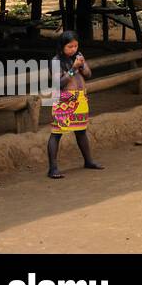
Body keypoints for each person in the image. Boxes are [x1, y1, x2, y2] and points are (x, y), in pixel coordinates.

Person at [47, 31, 104, 179]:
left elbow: (88, 74)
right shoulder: (55, 61)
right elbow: (58, 83)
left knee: (81, 131)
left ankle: (88, 161)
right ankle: (53, 168)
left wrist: (82, 64)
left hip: (80, 99)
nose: (73, 49)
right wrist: (73, 69)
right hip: (64, 100)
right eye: (69, 46)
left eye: (75, 46)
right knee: (57, 133)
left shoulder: (78, 57)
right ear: (62, 47)